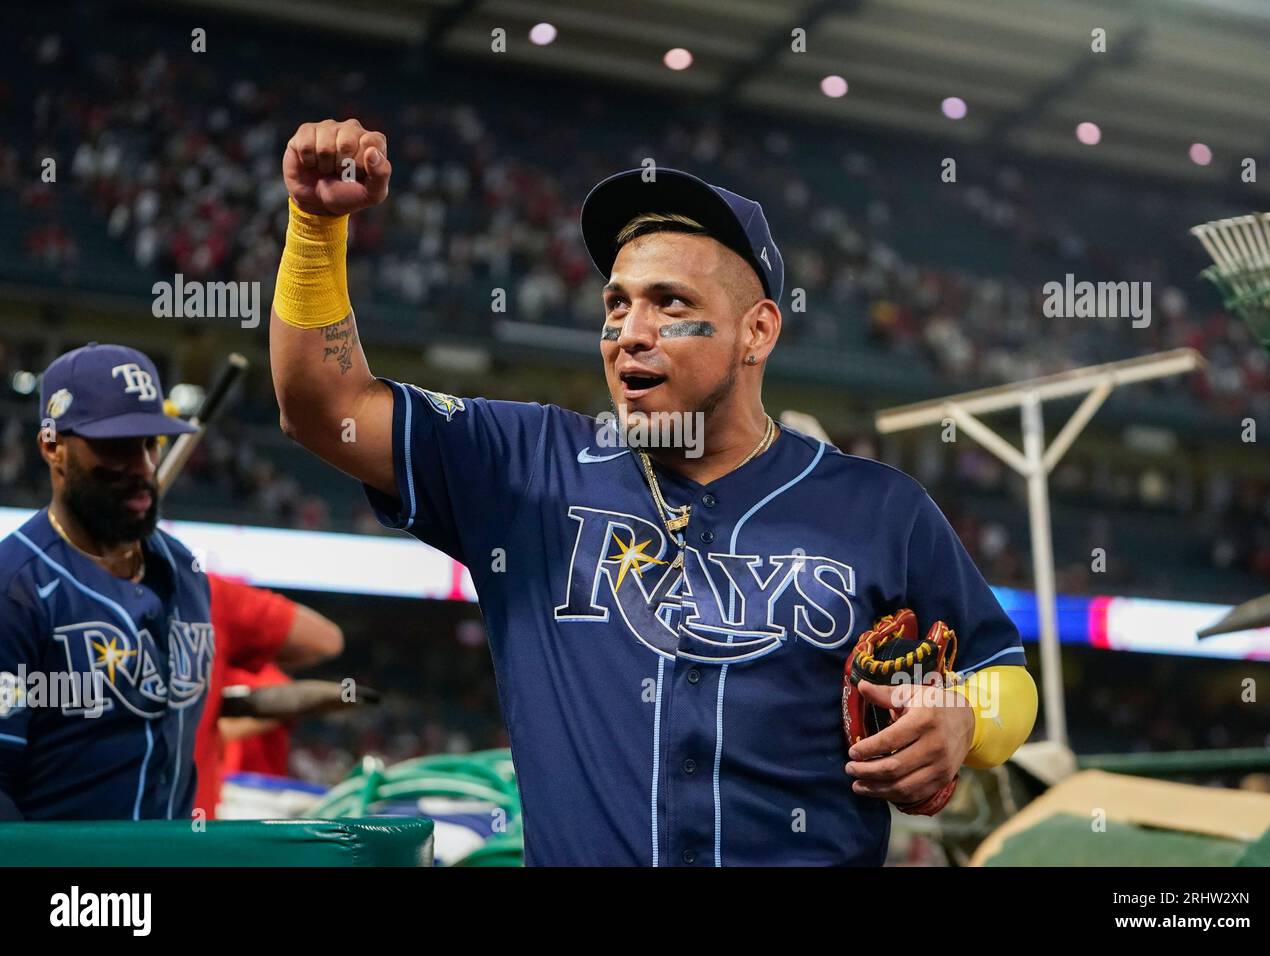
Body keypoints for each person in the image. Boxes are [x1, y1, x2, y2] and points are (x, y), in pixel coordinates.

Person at [266, 119, 1039, 865]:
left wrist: (965, 722)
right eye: (616, 304)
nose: (630, 331)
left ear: (757, 333)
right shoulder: (528, 467)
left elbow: (1002, 671)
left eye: (671, 305)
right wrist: (313, 228)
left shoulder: (879, 507)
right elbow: (322, 409)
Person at [0, 344, 211, 820]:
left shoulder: (187, 573)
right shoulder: (14, 589)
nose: (141, 468)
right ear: (52, 446)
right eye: (116, 446)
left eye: (149, 442)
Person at [191, 573, 343, 818]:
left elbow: (288, 699)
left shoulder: (250, 668)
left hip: (258, 789)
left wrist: (218, 728)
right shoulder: (197, 659)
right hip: (224, 786)